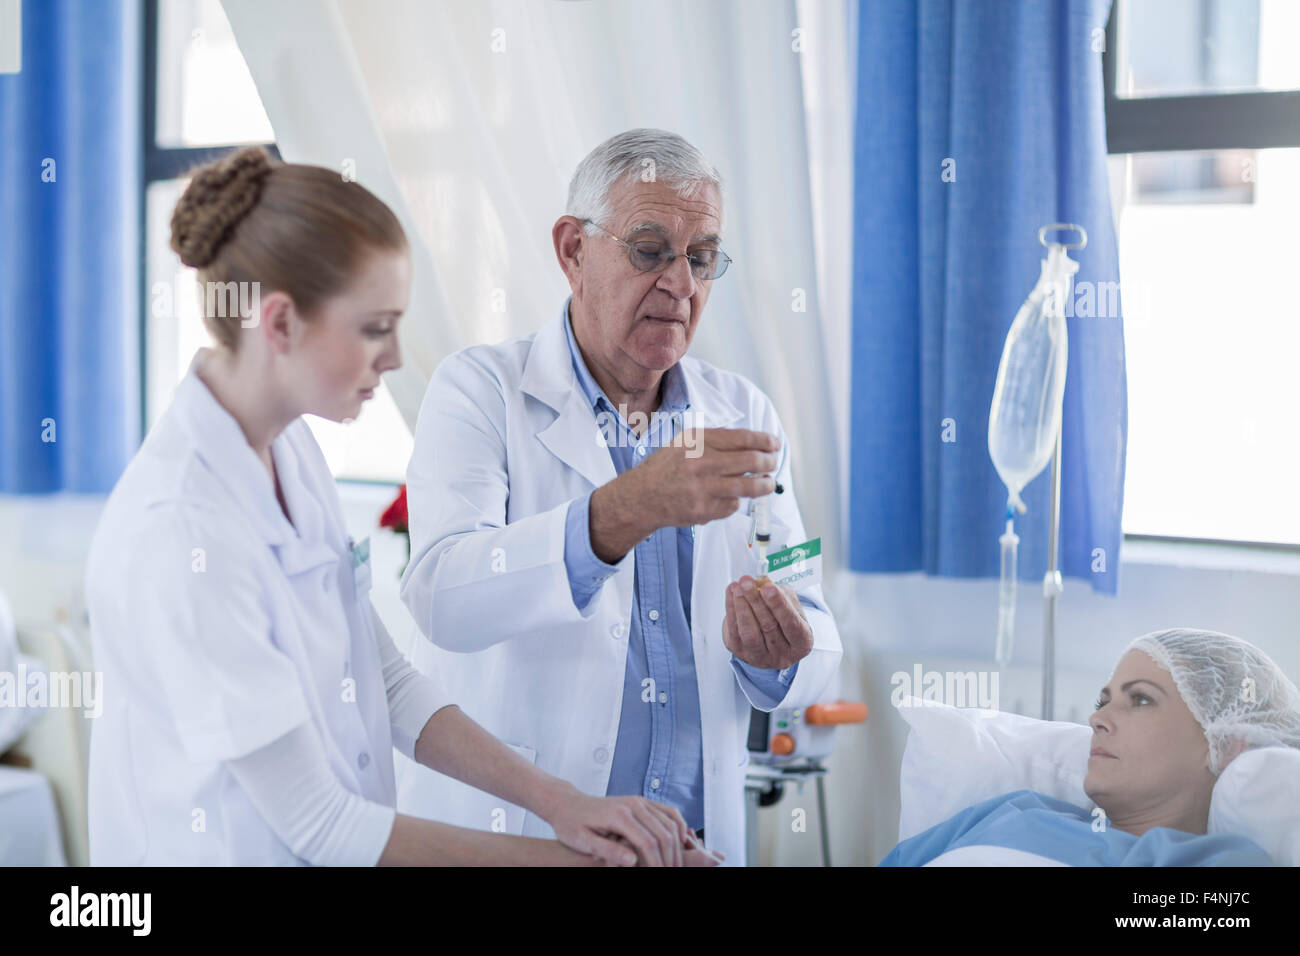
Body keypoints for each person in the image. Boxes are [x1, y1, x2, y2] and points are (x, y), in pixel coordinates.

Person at [85, 147, 714, 867]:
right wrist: (604, 863)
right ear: (282, 323)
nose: (392, 359)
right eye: (375, 328)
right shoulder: (180, 528)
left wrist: (562, 803)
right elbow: (322, 826)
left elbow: (381, 680)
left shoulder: (288, 452)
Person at [399, 128, 843, 865]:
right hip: (529, 837)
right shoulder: (480, 390)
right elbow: (443, 596)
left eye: (701, 258)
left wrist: (781, 656)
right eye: (649, 250)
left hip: (691, 848)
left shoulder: (744, 415)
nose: (681, 284)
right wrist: (630, 506)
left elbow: (815, 622)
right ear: (573, 250)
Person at [880, 628, 1300, 865]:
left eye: (1140, 699)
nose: (1097, 719)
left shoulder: (1217, 861)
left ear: (1225, 742)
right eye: (1103, 701)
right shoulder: (1015, 809)